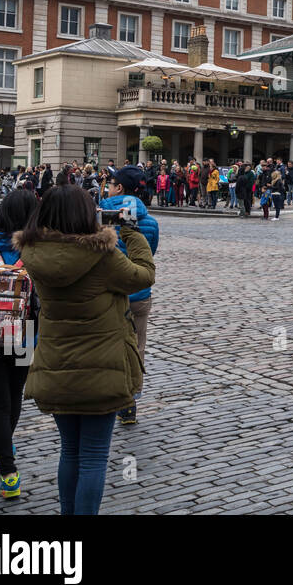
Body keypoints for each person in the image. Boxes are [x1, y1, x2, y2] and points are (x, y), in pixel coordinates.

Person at [17, 184, 155, 515]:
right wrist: (131, 233)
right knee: (93, 455)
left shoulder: (34, 254)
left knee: (71, 452)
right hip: (101, 370)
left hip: (56, 367)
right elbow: (143, 275)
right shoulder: (102, 256)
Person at [0, 189, 40, 499]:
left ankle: (7, 470)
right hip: (24, 331)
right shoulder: (34, 250)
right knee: (14, 397)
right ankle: (3, 453)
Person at [97, 165, 159, 426]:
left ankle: (107, 395)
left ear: (119, 188)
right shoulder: (151, 222)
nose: (108, 187)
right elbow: (147, 256)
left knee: (107, 345)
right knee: (136, 347)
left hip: (109, 294)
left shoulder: (100, 216)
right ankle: (130, 403)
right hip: (140, 293)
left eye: (111, 183)